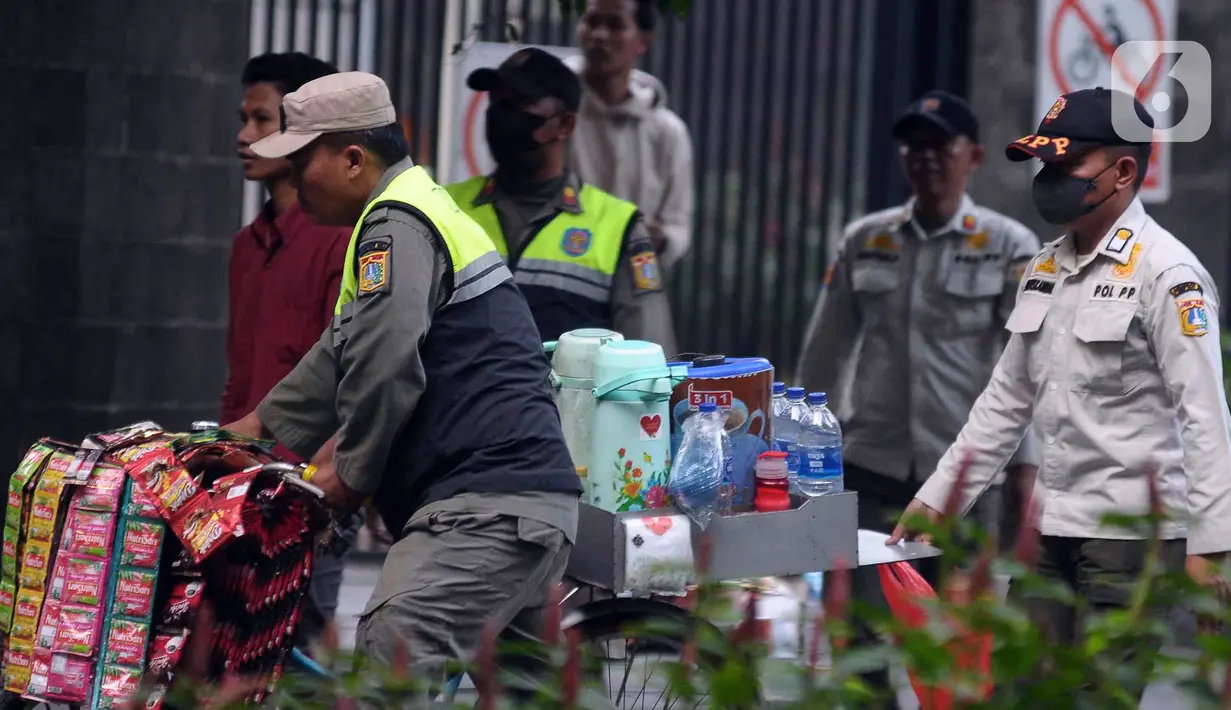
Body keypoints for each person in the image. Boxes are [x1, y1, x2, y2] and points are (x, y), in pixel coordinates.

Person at [223, 71, 582, 690]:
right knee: (528, 697)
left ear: (353, 158)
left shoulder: (396, 224)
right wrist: (246, 436)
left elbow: (386, 364)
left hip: (485, 511)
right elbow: (340, 352)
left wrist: (348, 476)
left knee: (394, 652)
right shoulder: (410, 213)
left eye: (301, 161)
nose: (291, 177)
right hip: (518, 504)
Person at [888, 87, 1231, 701]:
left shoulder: (1168, 275)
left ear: (1123, 171)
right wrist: (939, 500)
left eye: (1065, 166)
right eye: (1044, 165)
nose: (1047, 180)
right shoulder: (1046, 267)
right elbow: (1005, 401)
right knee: (1023, 694)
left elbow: (1206, 417)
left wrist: (1214, 547)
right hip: (1049, 533)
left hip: (1132, 544)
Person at [795, 90, 1040, 709]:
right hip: (873, 468)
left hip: (965, 480)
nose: (925, 158)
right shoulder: (866, 240)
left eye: (941, 145)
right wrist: (803, 453)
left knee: (959, 648)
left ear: (974, 156)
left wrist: (1025, 468)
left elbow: (1028, 367)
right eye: (915, 146)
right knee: (861, 637)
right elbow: (825, 352)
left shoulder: (1008, 246)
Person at [224, 51, 357, 656]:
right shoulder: (246, 246)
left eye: (261, 120)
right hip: (243, 480)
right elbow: (239, 372)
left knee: (303, 642)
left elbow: (346, 368)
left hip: (310, 485)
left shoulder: (341, 240)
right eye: (244, 119)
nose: (244, 137)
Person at [447, 48, 677, 351]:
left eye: (522, 104)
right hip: (461, 398)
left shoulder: (617, 226)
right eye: (498, 103)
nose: (504, 115)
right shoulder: (445, 208)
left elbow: (647, 357)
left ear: (566, 125)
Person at [565, 0, 694, 269]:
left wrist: (657, 238)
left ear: (642, 42)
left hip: (630, 287)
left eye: (615, 24)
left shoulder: (667, 133)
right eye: (591, 21)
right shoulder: (554, 108)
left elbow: (678, 228)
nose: (599, 35)